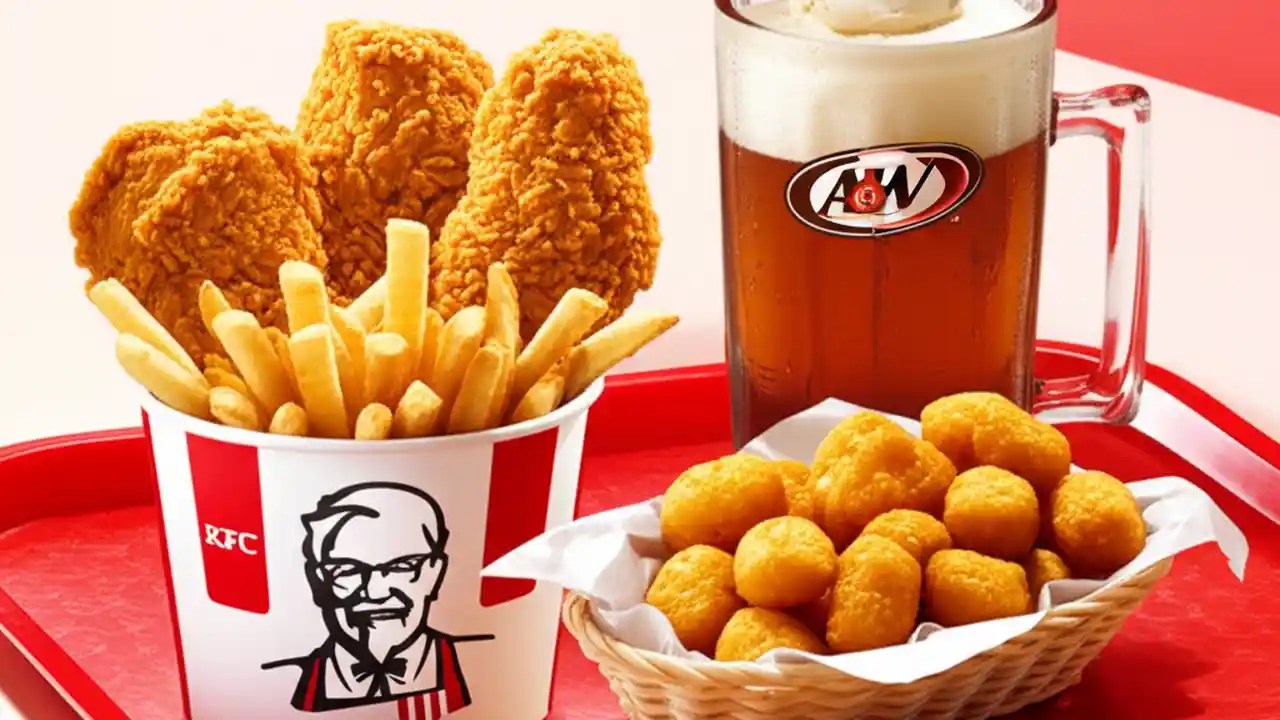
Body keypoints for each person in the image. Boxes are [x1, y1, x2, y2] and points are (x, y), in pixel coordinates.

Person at [264, 483, 488, 714]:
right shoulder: (266, 685)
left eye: (402, 566)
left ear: (435, 573)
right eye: (347, 570)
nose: (376, 593)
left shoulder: (492, 663)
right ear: (318, 581)